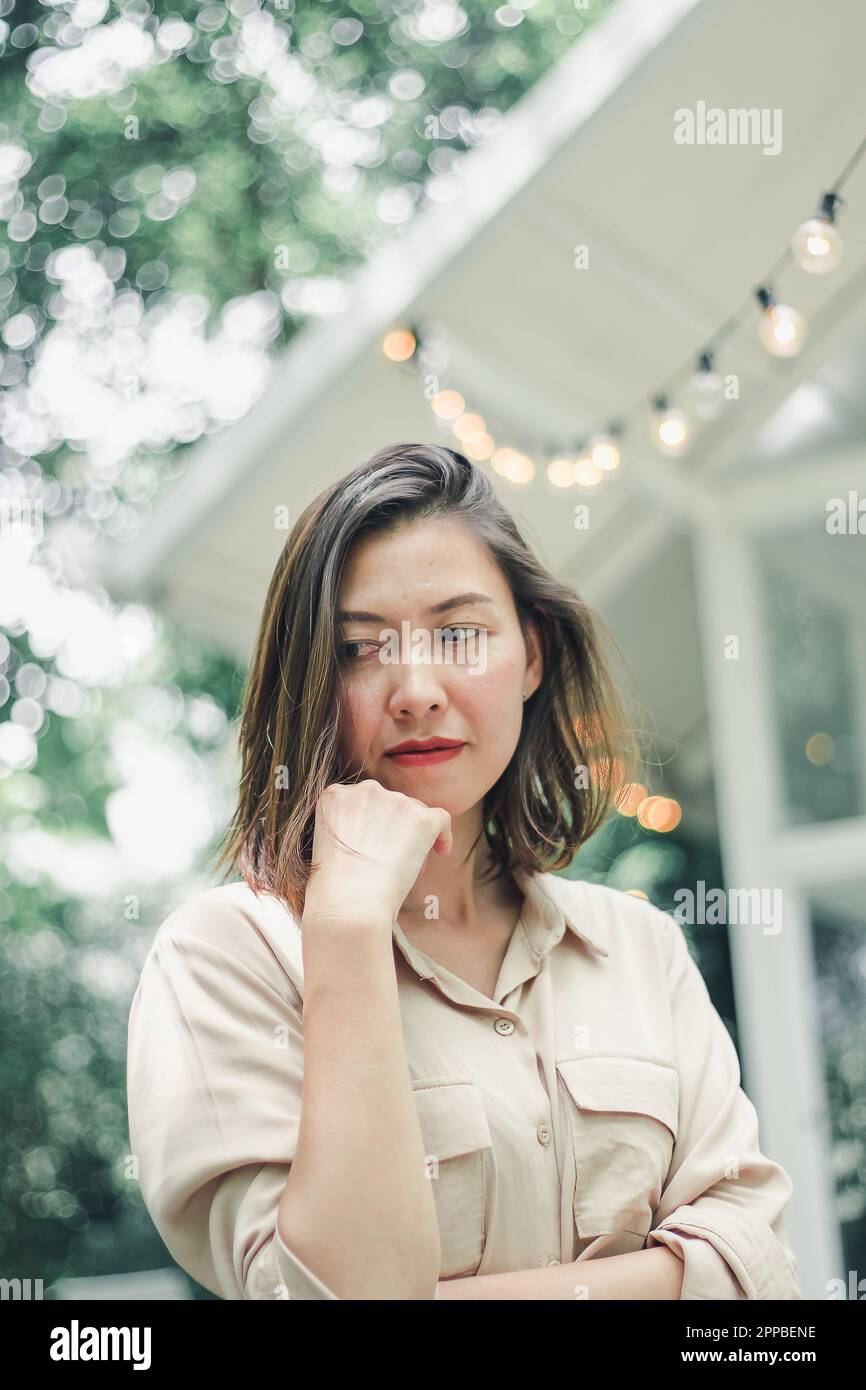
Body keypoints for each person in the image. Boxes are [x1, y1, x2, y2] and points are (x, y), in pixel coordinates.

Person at [126, 442, 802, 1301]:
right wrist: (346, 931)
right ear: (310, 685)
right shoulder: (224, 960)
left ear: (532, 654)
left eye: (458, 633)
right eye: (358, 650)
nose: (415, 689)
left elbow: (760, 1287)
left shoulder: (639, 947)